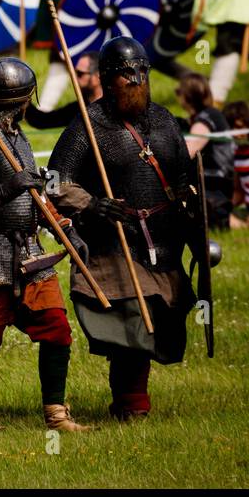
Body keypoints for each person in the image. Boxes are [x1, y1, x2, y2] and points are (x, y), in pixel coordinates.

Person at [49, 38, 201, 421]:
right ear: (106, 79)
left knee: (163, 319)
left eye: (140, 73)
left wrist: (188, 203)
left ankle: (133, 399)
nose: (134, 81)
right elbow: (54, 180)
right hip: (114, 244)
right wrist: (91, 204)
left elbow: (184, 176)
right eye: (124, 75)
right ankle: (132, 405)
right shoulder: (88, 124)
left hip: (162, 244)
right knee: (132, 322)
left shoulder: (165, 121)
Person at [0, 58, 89, 433]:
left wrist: (65, 230)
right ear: (21, 100)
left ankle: (56, 414)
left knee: (56, 328)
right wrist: (0, 189)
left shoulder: (16, 137)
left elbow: (36, 196)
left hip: (29, 252)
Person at [175, 72, 234, 231]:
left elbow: (188, 151)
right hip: (212, 185)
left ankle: (235, 221)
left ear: (186, 96)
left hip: (215, 189)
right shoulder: (202, 117)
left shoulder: (208, 116)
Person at [26, 52, 101, 130]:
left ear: (97, 76)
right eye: (74, 73)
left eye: (79, 74)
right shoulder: (79, 108)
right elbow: (42, 121)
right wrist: (25, 102)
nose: (74, 78)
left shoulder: (112, 107)